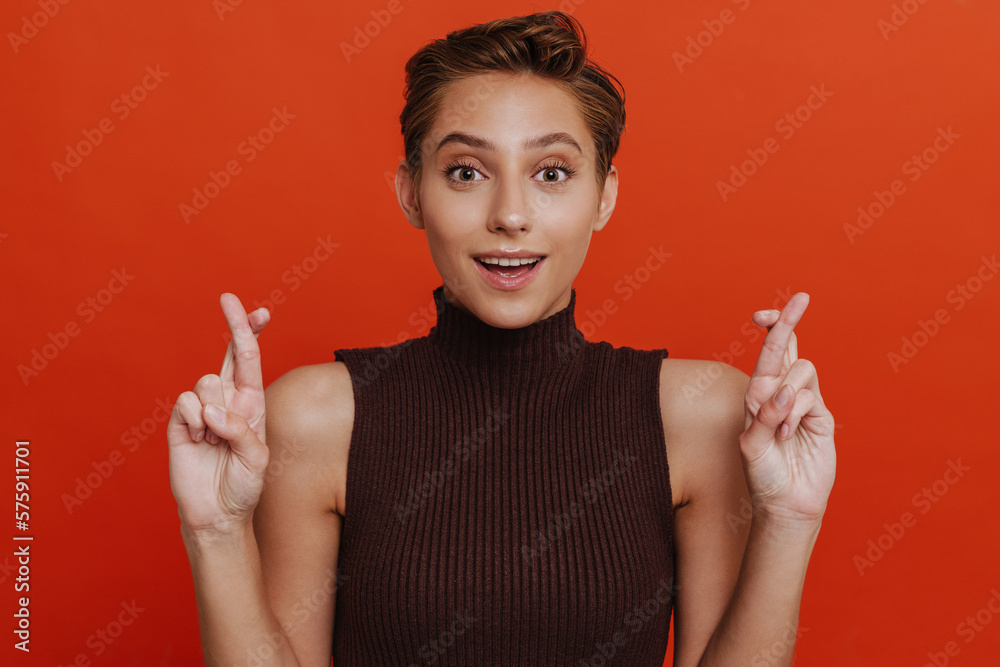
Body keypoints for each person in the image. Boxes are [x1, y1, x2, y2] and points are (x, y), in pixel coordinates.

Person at [167, 10, 836, 666]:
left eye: (551, 172)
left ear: (604, 195)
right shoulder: (316, 420)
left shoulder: (700, 415)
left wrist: (791, 521)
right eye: (466, 171)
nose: (510, 215)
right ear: (410, 192)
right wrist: (216, 532)